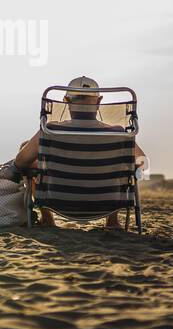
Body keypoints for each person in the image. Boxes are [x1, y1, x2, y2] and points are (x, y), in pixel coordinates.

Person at [15, 75, 145, 230]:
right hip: (107, 204)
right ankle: (112, 221)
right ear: (98, 102)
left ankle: (47, 218)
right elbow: (143, 163)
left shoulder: (49, 131)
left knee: (28, 151)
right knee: (123, 165)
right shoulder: (118, 134)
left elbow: (20, 162)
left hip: (59, 201)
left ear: (66, 100)